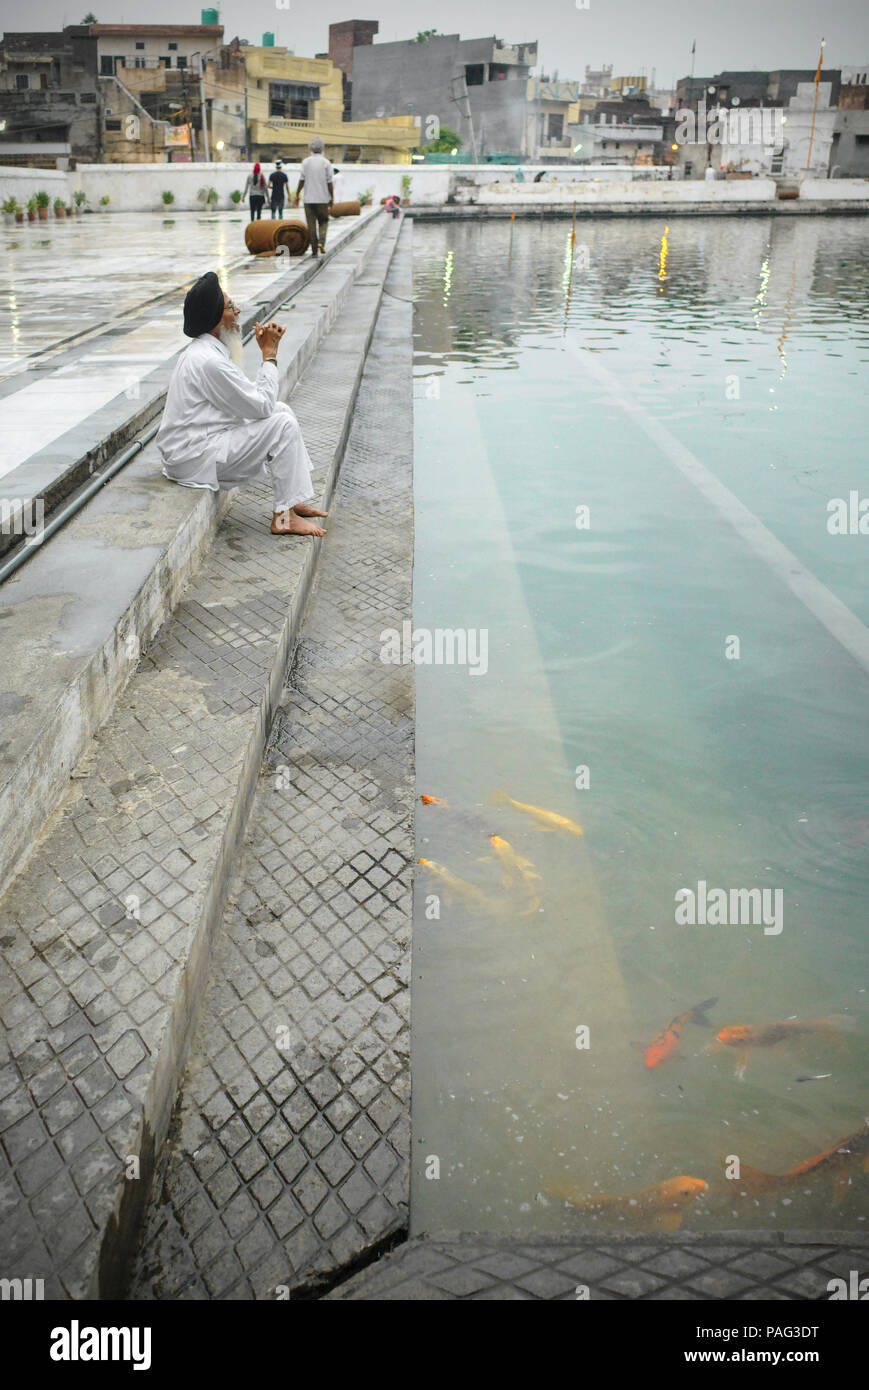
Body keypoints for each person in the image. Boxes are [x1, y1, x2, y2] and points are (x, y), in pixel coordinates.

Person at [156, 271, 326, 537]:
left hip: (197, 447)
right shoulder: (208, 361)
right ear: (215, 321)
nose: (238, 310)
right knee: (281, 422)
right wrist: (269, 356)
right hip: (193, 457)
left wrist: (265, 355)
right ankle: (283, 519)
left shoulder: (207, 351)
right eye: (230, 307)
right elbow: (261, 407)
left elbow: (253, 403)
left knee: (283, 411)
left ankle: (292, 500)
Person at [293, 137, 334, 258]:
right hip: (322, 199)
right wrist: (332, 197)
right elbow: (329, 182)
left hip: (308, 199)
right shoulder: (326, 163)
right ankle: (321, 242)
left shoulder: (305, 162)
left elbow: (302, 179)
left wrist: (297, 193)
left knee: (311, 225)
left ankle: (314, 250)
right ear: (322, 148)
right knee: (323, 221)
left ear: (310, 148)